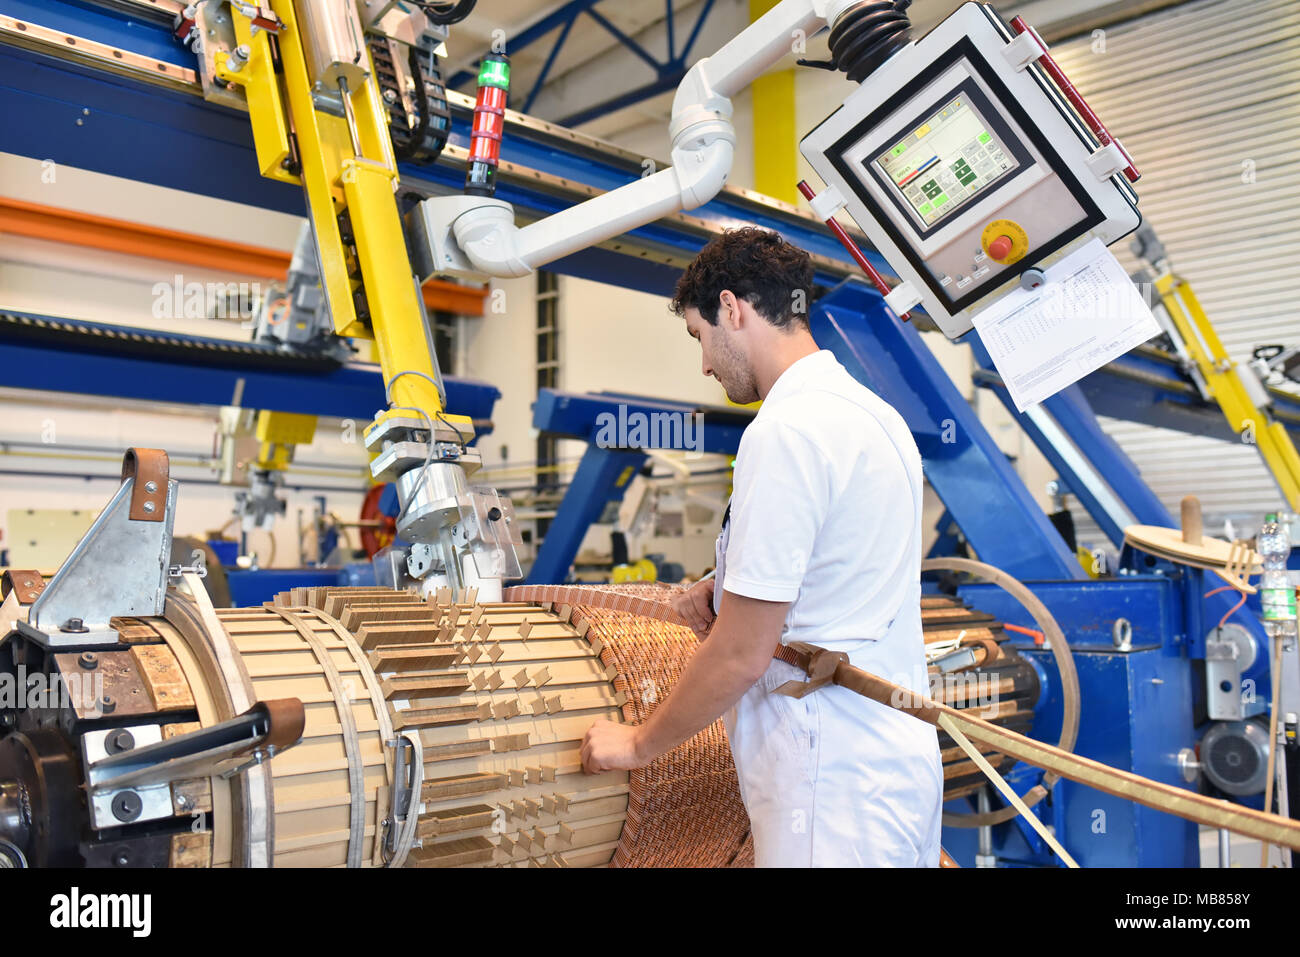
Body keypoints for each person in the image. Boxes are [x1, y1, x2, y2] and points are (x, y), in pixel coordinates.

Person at [579, 226, 942, 867]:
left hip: (828, 786)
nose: (705, 365)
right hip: (897, 767)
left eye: (699, 337)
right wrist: (724, 584)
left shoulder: (784, 432)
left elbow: (742, 654)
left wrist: (636, 745)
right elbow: (837, 570)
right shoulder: (877, 417)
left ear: (731, 308)